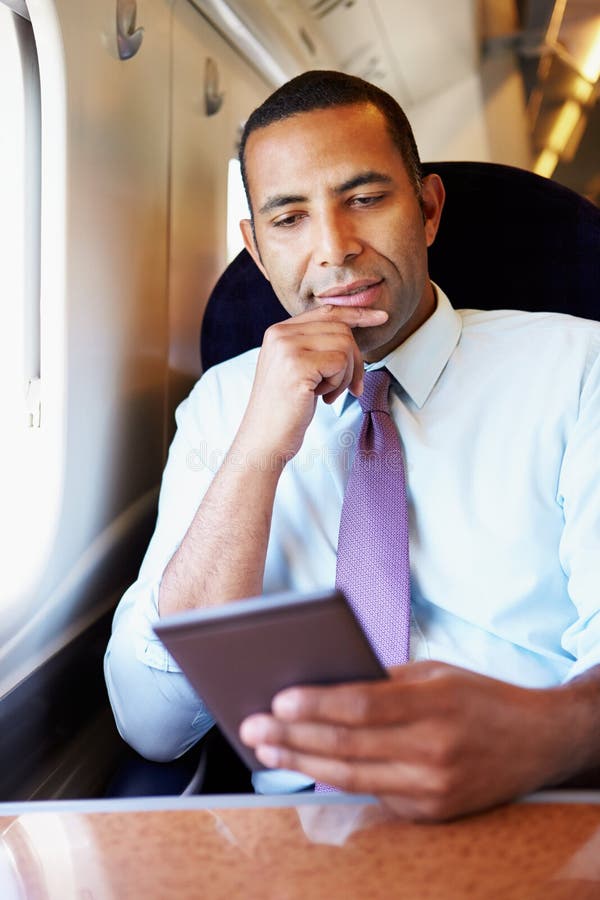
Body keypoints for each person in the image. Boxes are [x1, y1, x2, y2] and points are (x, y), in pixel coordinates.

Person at [105, 70, 600, 821]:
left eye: (365, 199)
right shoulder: (223, 404)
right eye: (289, 218)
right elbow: (155, 727)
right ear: (257, 247)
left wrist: (537, 737)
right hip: (304, 832)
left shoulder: (578, 369)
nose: (334, 250)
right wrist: (258, 450)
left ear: (428, 210)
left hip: (538, 800)